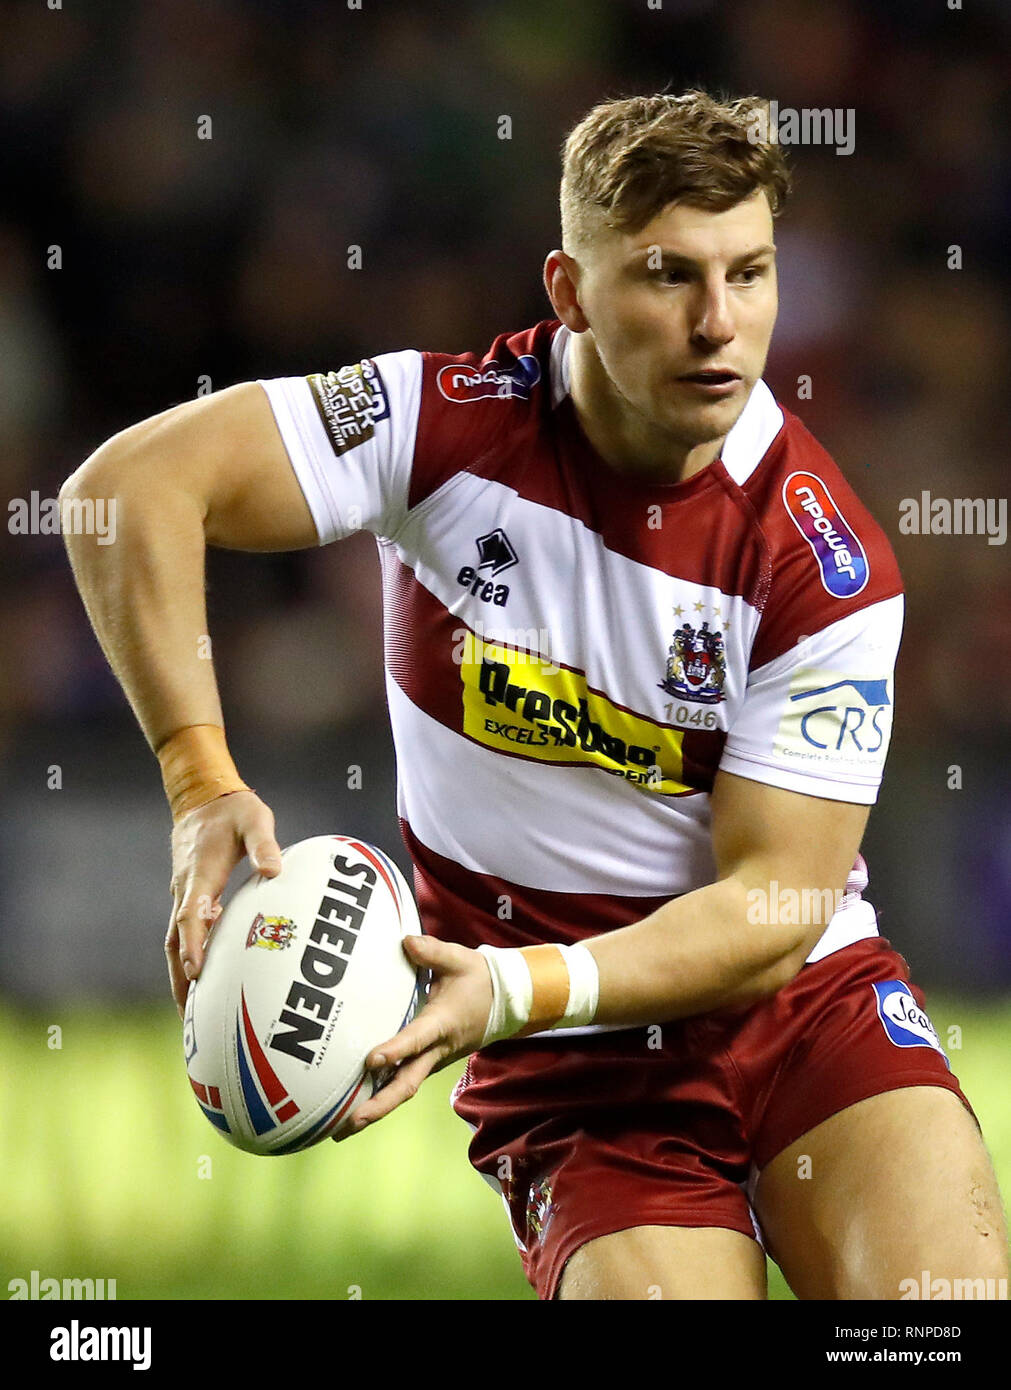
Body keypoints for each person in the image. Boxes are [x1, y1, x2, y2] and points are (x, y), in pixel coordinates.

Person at [60, 90, 1008, 1301]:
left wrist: (511, 984)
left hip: (801, 1009)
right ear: (568, 291)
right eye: (668, 275)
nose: (719, 324)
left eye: (752, 273)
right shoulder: (436, 428)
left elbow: (775, 908)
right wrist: (200, 780)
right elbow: (126, 492)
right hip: (577, 1077)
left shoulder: (822, 564)